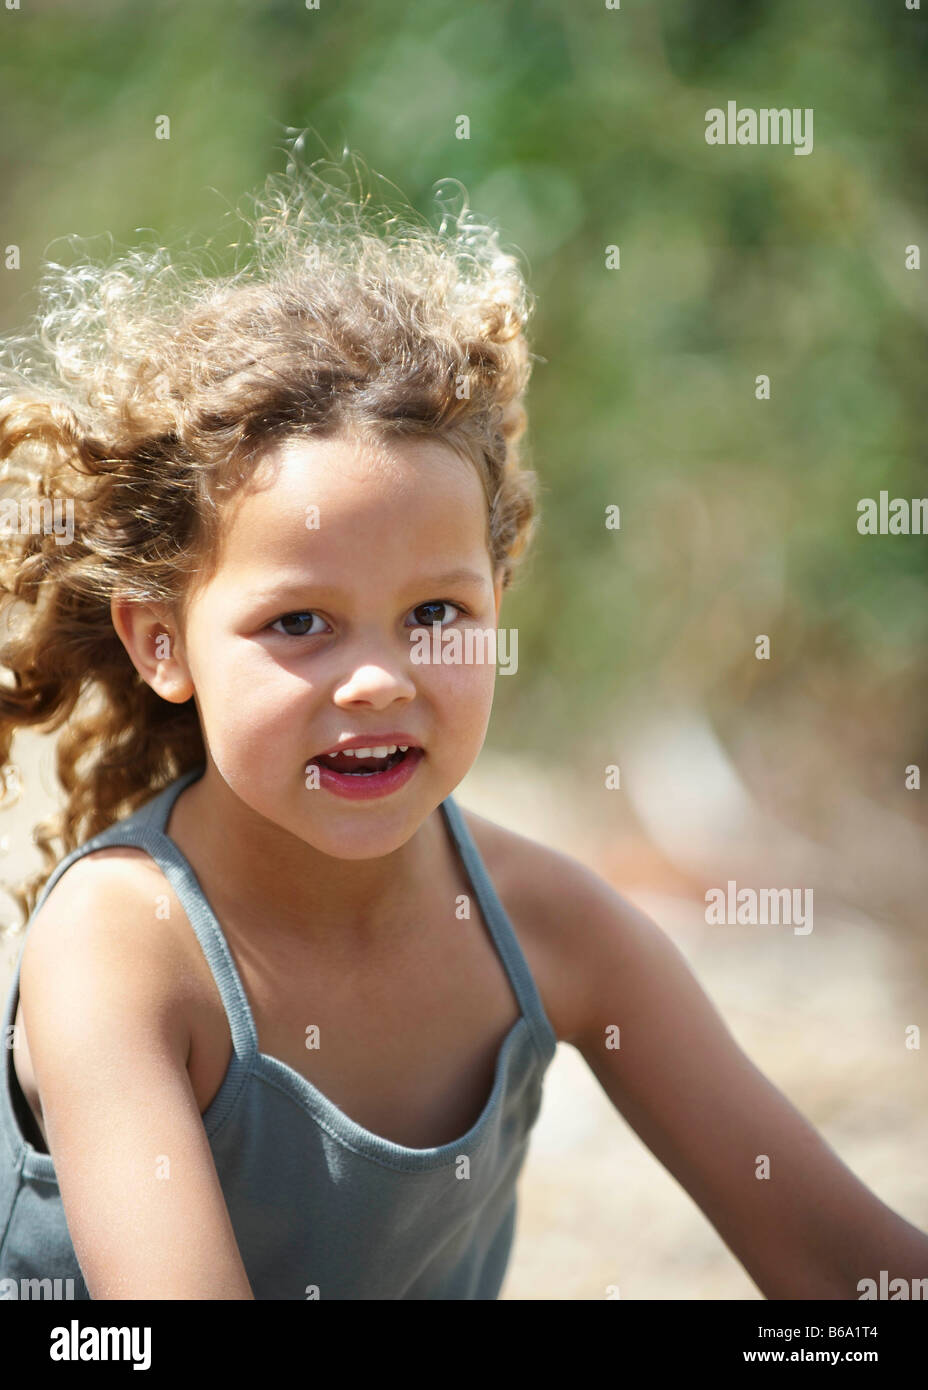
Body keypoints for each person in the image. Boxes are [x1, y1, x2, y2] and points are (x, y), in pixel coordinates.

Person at [0, 152, 925, 1301]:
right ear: (161, 644)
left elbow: (845, 1264)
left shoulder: (552, 931)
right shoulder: (122, 952)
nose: (379, 678)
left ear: (497, 596)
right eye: (299, 622)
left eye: (434, 611)